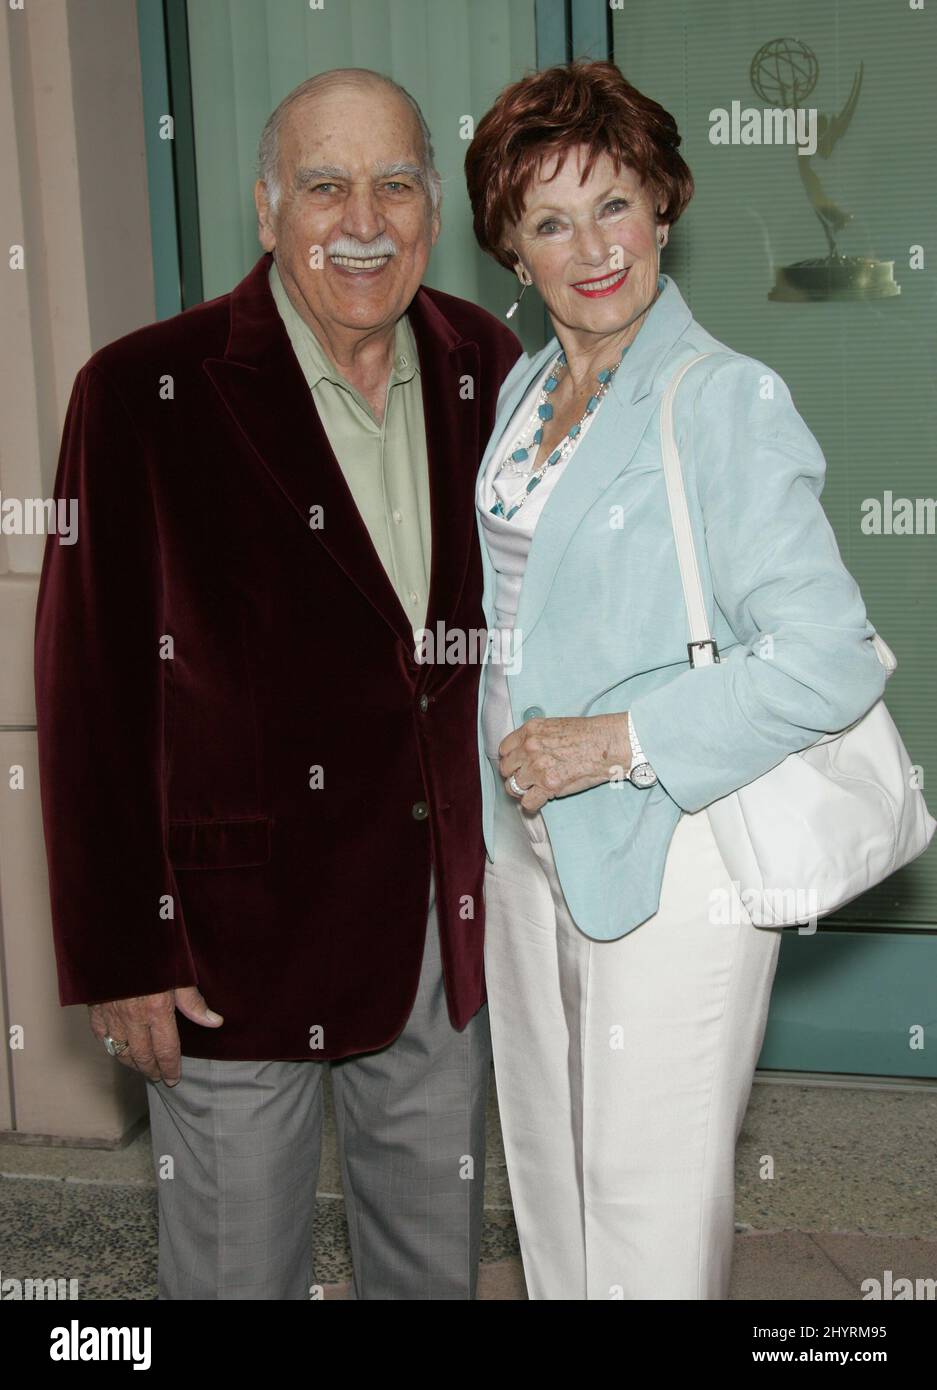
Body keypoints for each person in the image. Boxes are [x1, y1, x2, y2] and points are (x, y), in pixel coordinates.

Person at [34, 68, 521, 1300]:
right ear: (266, 209)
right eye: (323, 184)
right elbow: (91, 690)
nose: (362, 217)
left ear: (430, 209)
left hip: (434, 935)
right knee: (234, 1273)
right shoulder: (143, 393)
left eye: (394, 183)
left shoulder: (488, 366)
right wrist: (123, 942)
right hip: (226, 948)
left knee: (432, 1271)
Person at [464, 59, 887, 1300]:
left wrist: (614, 741)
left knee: (645, 1229)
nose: (593, 247)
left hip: (672, 851)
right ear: (513, 249)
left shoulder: (723, 400)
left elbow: (824, 657)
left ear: (664, 207)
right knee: (551, 1190)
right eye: (552, 220)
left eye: (616, 204)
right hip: (526, 847)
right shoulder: (525, 387)